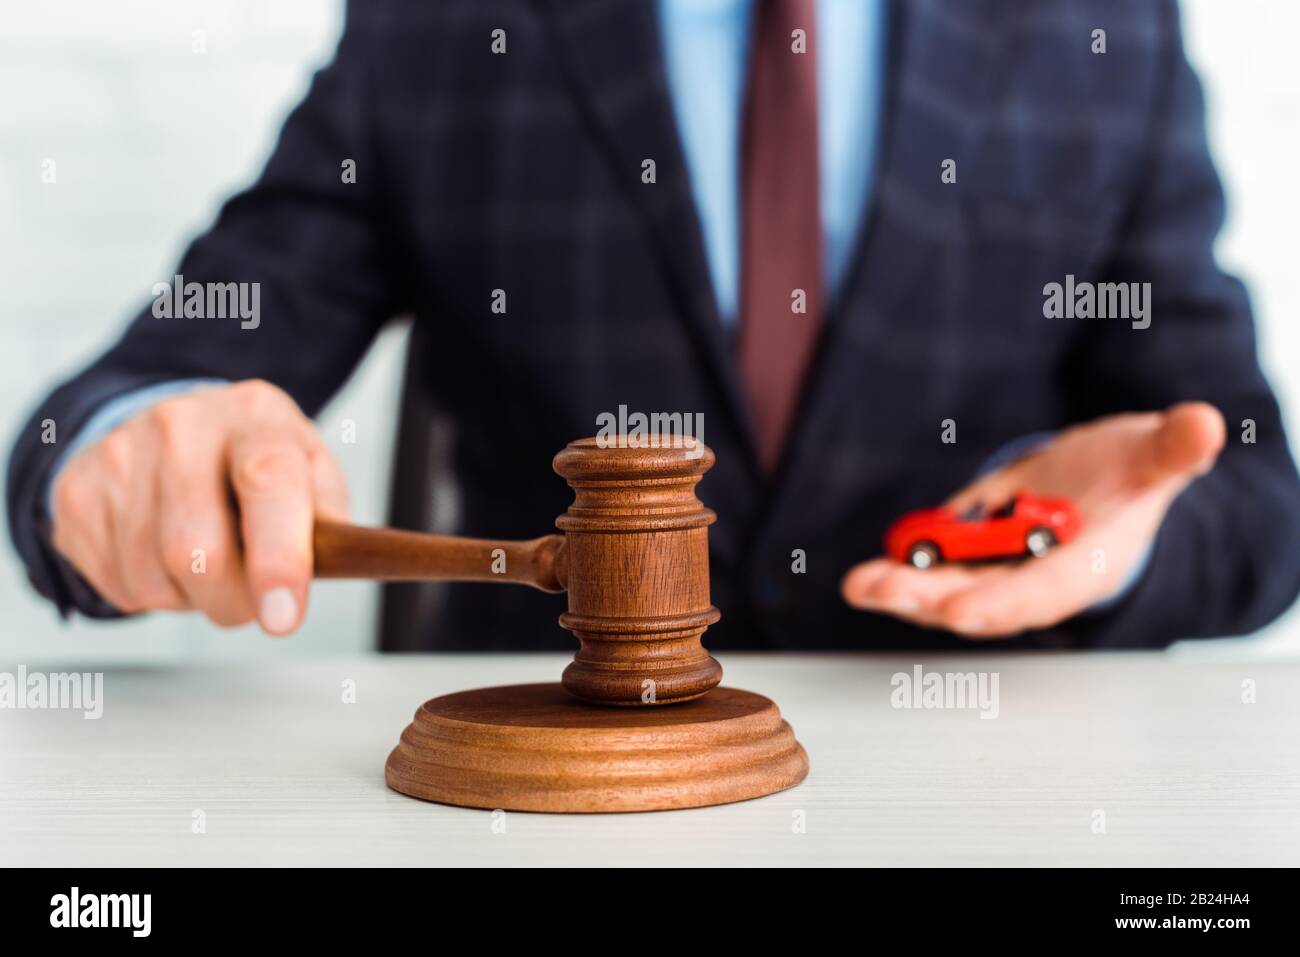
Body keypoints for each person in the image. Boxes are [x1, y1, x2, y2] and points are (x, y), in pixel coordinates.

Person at [8, 0, 1300, 652]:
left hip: (969, 799)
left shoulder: (1101, 29)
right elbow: (128, 390)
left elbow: (1253, 496)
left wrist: (1113, 543)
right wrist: (121, 454)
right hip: (533, 816)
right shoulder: (446, 27)